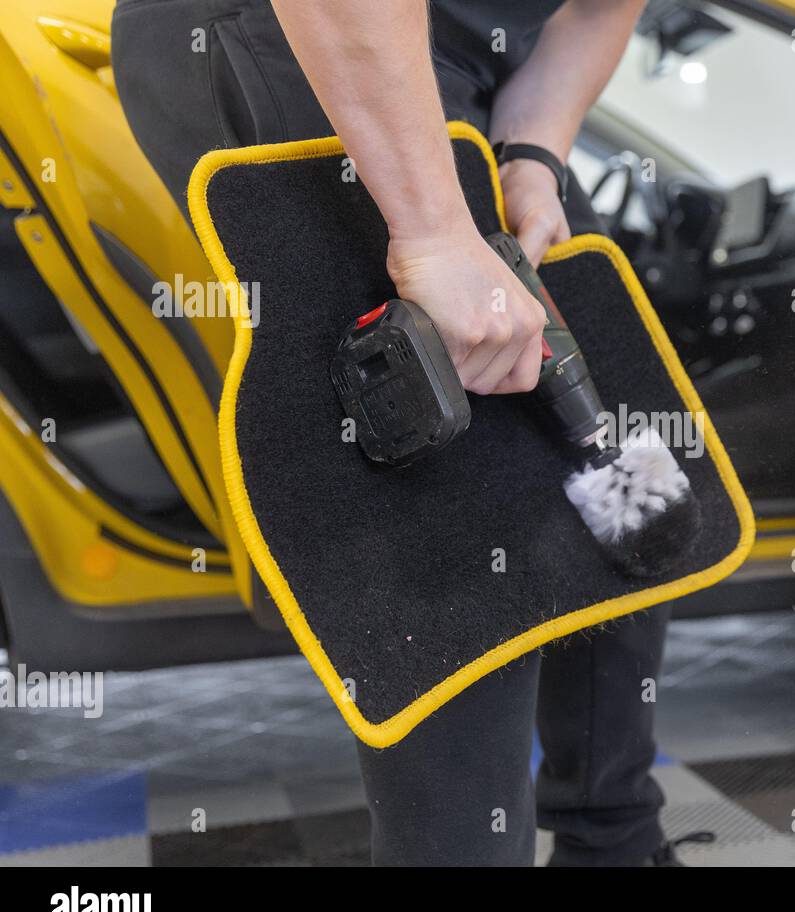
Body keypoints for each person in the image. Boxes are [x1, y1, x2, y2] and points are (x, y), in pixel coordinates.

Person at [112, 0, 686, 866]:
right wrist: (431, 233)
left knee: (619, 435)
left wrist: (535, 154)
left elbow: (603, 6)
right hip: (307, 26)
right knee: (465, 518)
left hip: (475, 67)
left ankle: (615, 843)